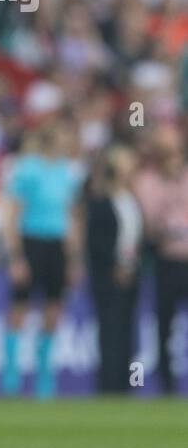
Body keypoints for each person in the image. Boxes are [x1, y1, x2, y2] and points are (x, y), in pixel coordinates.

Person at [2, 122, 85, 398]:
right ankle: (11, 371)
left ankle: (44, 373)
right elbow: (12, 213)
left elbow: (72, 216)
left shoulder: (68, 172)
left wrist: (74, 258)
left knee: (53, 307)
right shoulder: (28, 169)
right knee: (19, 306)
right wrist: (15, 256)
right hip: (31, 241)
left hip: (57, 244)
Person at [132, 124, 188, 394]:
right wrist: (169, 188)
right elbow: (148, 223)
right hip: (166, 260)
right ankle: (166, 385)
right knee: (164, 323)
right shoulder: (148, 181)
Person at [83, 145, 142, 393]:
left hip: (131, 273)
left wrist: (131, 265)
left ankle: (124, 386)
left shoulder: (131, 199)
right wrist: (115, 265)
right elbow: (95, 241)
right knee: (110, 330)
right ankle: (108, 386)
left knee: (126, 330)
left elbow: (135, 237)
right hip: (107, 275)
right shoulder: (101, 200)